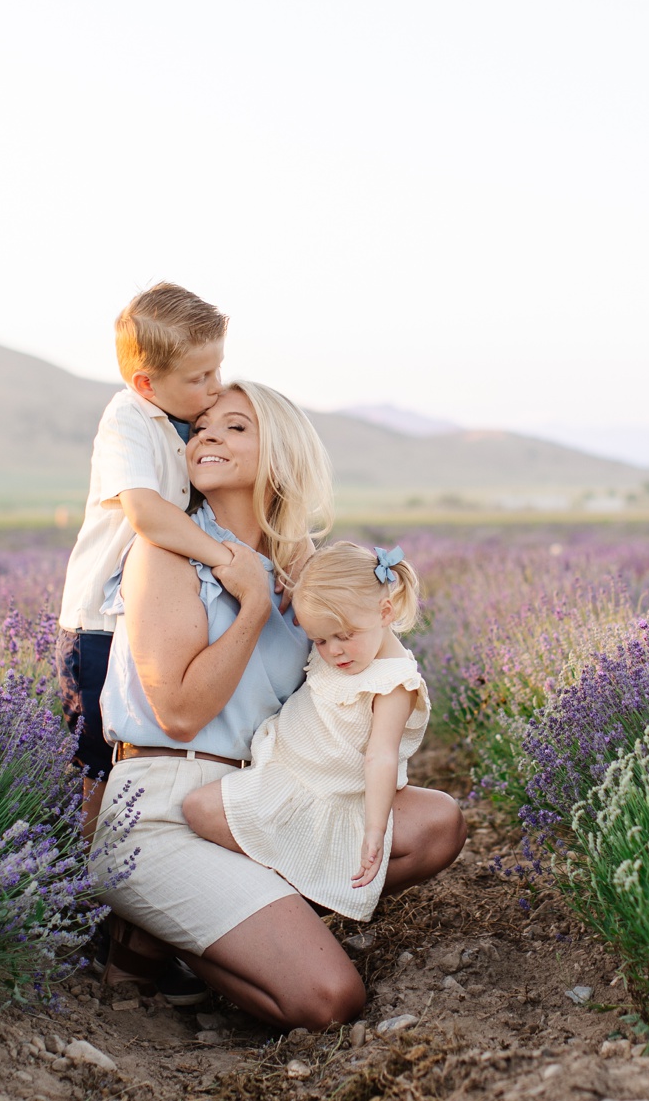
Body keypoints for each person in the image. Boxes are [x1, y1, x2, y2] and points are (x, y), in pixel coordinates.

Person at [93, 382, 465, 1030]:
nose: (208, 436)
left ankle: (197, 928)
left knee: (436, 824)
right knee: (330, 1000)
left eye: (236, 427)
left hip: (260, 797)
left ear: (282, 454)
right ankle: (168, 932)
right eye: (201, 427)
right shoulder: (166, 553)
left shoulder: (304, 574)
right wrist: (254, 607)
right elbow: (179, 712)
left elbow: (375, 673)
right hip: (162, 808)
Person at [58, 283, 235, 835]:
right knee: (96, 756)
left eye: (218, 369)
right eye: (200, 377)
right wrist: (225, 560)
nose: (215, 386)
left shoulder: (194, 418)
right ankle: (82, 870)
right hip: (101, 625)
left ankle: (144, 847)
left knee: (145, 746)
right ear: (146, 384)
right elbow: (146, 513)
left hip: (157, 621)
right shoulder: (128, 418)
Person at [182, 542, 430, 922]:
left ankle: (276, 905)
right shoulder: (350, 641)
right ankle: (268, 892)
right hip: (281, 769)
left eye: (344, 635)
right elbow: (329, 587)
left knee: (201, 809)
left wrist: (374, 829)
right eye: (320, 640)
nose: (334, 652)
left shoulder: (394, 683)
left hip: (323, 791)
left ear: (385, 612)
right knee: (197, 809)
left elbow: (381, 756)